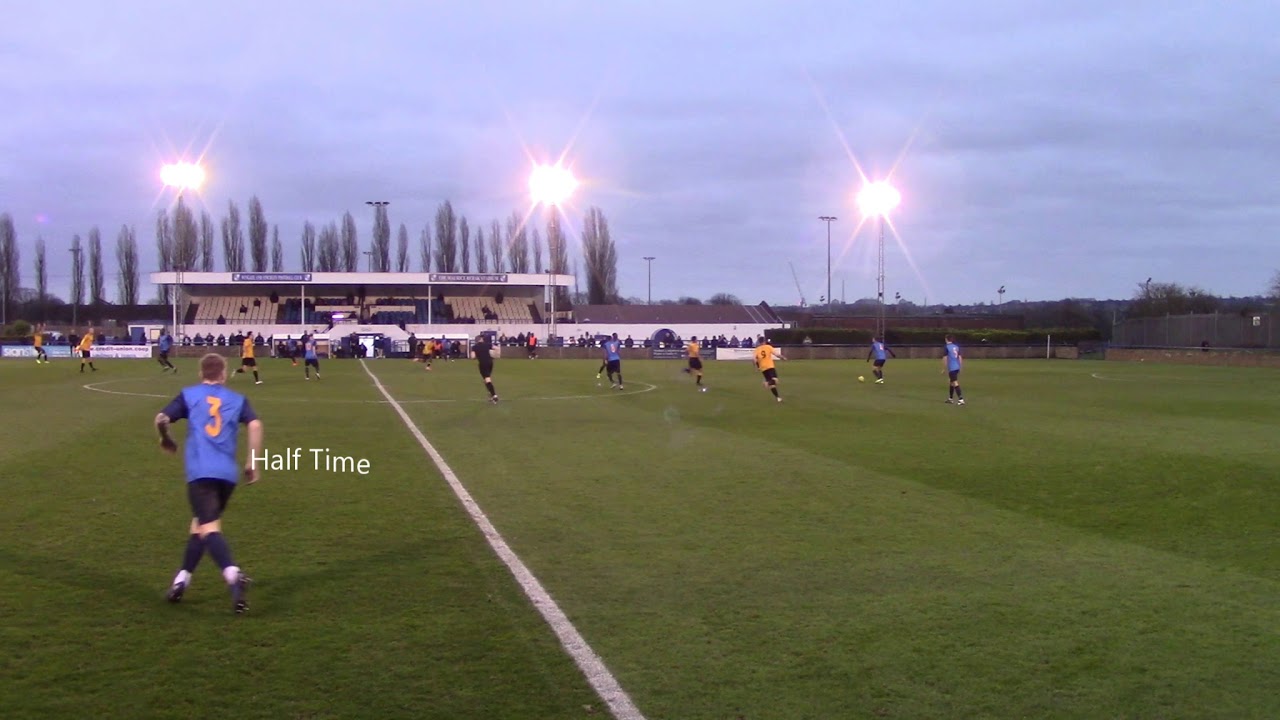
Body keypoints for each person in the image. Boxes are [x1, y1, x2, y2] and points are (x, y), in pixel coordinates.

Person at [155, 353, 263, 614]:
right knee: (200, 526)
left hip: (201, 473)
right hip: (227, 475)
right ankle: (181, 580)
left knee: (209, 528)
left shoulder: (189, 395)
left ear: (201, 373)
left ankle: (232, 575)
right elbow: (256, 424)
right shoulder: (237, 400)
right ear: (223, 374)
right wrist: (252, 462)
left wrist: (166, 438)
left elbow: (161, 418)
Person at [754, 335, 783, 402]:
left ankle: (778, 398)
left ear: (759, 342)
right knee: (775, 381)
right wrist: (782, 357)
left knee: (772, 385)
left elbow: (754, 360)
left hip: (763, 368)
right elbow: (777, 354)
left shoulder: (757, 350)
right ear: (764, 341)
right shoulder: (768, 347)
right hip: (770, 366)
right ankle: (766, 383)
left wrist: (757, 367)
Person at [473, 334, 499, 404]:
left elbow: (472, 356)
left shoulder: (475, 347)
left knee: (487, 379)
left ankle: (494, 395)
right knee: (486, 379)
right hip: (490, 363)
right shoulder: (487, 344)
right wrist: (495, 355)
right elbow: (496, 348)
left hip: (483, 364)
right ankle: (490, 396)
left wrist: (477, 355)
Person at [943, 334, 965, 405]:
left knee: (955, 382)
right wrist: (960, 367)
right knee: (951, 382)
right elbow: (960, 357)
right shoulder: (956, 347)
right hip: (957, 367)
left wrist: (944, 368)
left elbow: (945, 358)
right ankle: (950, 399)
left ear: (946, 339)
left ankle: (961, 400)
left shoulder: (947, 347)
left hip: (952, 368)